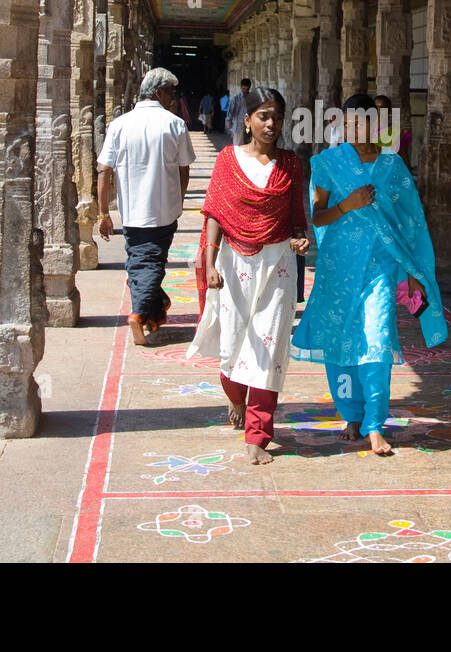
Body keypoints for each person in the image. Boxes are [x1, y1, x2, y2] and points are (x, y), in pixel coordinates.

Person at [292, 93, 447, 456]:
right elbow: (317, 216)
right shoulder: (327, 162)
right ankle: (351, 414)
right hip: (337, 267)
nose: (354, 129)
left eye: (362, 122)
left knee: (376, 338)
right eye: (348, 123)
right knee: (339, 341)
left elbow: (411, 223)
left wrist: (413, 272)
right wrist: (347, 205)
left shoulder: (393, 166)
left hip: (381, 265)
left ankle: (376, 423)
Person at [187, 86, 308, 465]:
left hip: (279, 264)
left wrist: (301, 240)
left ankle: (258, 433)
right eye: (263, 116)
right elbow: (214, 215)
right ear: (248, 119)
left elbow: (296, 219)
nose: (271, 124)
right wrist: (209, 265)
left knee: (269, 349)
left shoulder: (290, 164)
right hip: (233, 264)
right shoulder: (228, 160)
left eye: (277, 117)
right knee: (233, 345)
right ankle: (235, 395)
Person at [96, 68, 196, 344]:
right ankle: (139, 314)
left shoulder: (119, 125)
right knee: (151, 263)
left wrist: (104, 212)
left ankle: (156, 309)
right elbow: (183, 168)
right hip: (164, 209)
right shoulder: (174, 124)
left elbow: (103, 171)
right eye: (171, 93)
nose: (174, 99)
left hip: (131, 210)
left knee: (141, 260)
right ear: (158, 93)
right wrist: (180, 198)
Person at [373, 93, 412, 167]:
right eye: (376, 108)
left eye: (382, 108)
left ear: (389, 111)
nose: (378, 111)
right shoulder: (366, 131)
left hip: (391, 172)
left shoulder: (397, 132)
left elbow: (404, 158)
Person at [227, 77, 251, 145]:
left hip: (249, 125)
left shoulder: (252, 98)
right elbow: (230, 112)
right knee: (238, 145)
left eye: (247, 89)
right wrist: (230, 122)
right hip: (238, 125)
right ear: (240, 87)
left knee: (248, 144)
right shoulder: (235, 99)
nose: (245, 91)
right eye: (244, 89)